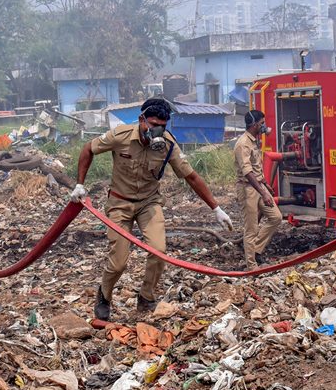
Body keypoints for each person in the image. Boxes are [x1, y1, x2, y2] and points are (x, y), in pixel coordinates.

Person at [71, 98, 234, 321]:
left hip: (149, 202)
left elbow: (191, 177)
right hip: (120, 203)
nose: (156, 130)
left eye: (162, 126)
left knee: (159, 251)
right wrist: (80, 184)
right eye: (152, 124)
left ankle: (146, 296)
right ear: (141, 120)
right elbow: (88, 149)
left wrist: (216, 208)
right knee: (118, 262)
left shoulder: (168, 145)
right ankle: (104, 296)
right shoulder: (121, 136)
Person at [234, 110, 282, 268]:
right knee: (251, 229)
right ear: (254, 125)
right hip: (248, 189)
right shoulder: (243, 144)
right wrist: (263, 192)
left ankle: (256, 250)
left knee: (276, 217)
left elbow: (256, 169)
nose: (264, 126)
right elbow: (247, 172)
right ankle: (251, 266)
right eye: (262, 123)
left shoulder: (254, 141)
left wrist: (265, 185)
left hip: (258, 186)